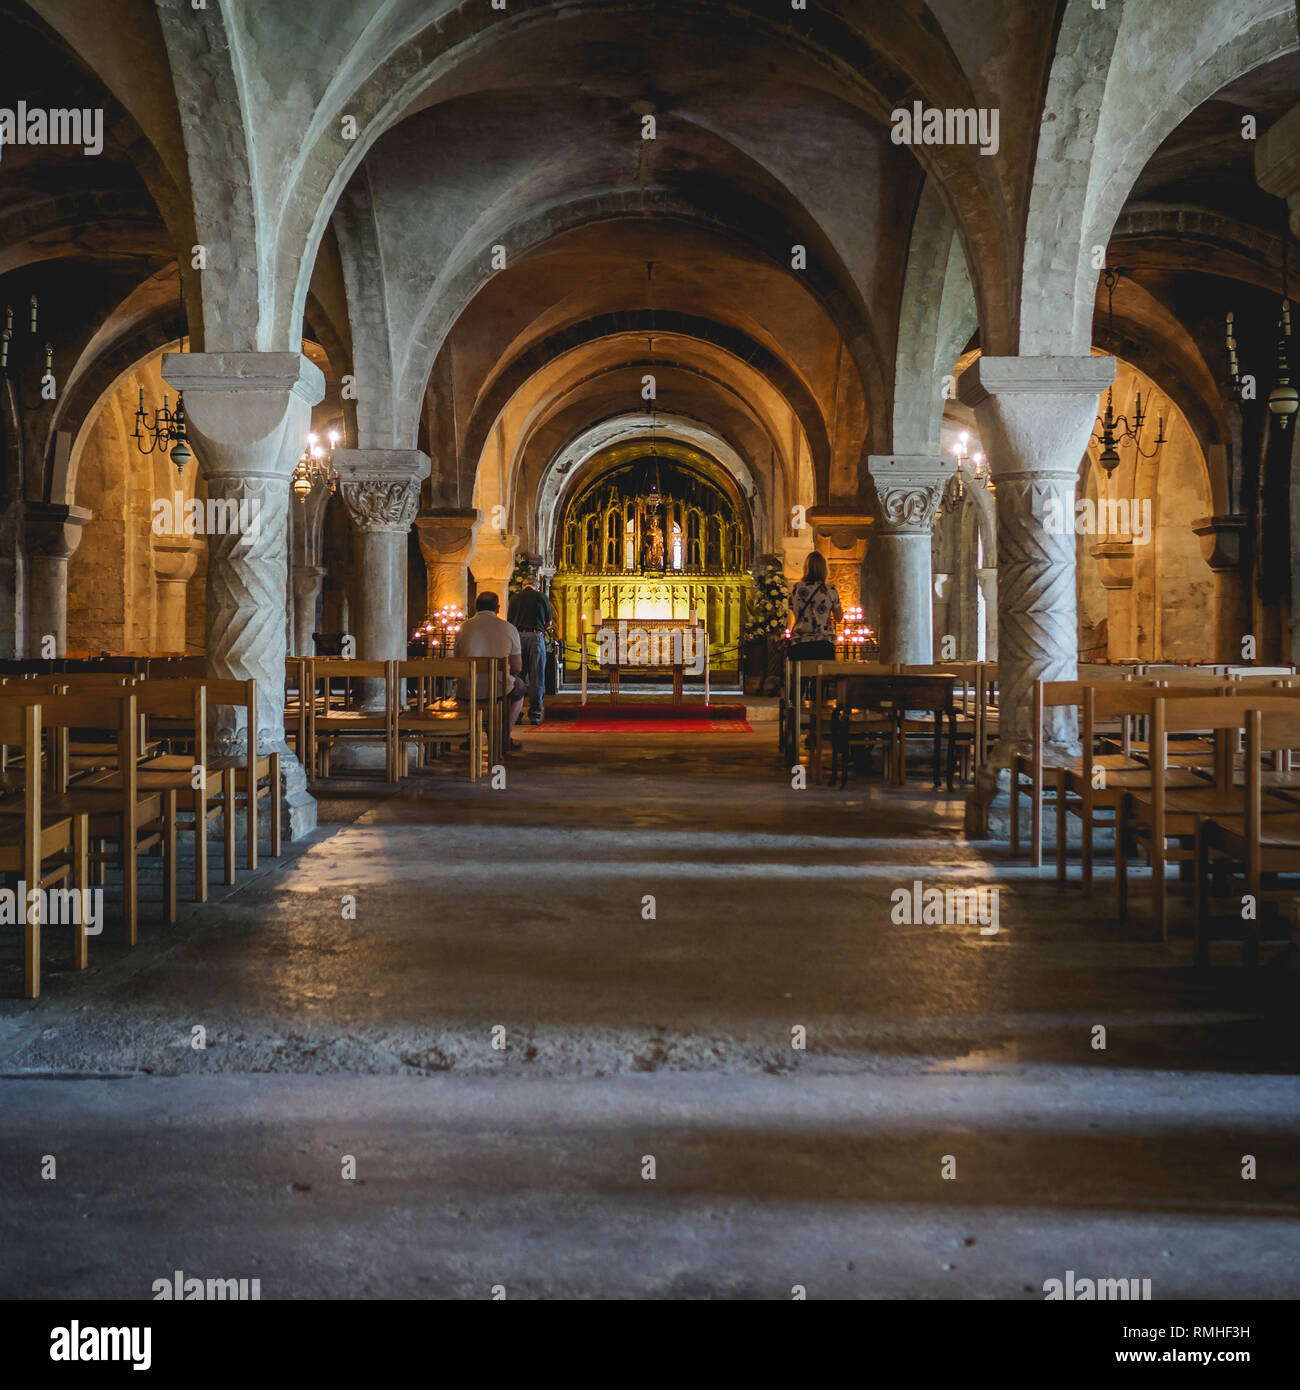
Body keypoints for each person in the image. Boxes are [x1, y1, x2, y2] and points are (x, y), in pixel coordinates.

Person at [455, 591, 525, 749]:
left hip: (467, 691)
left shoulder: (463, 628)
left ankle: (471, 736)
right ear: (498, 608)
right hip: (499, 691)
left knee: (461, 685)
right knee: (519, 686)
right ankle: (503, 736)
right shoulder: (509, 628)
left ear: (475, 608)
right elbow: (517, 667)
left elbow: (457, 661)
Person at [506, 576, 552, 726]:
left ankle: (516, 713)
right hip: (535, 637)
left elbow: (509, 622)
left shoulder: (514, 598)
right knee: (536, 677)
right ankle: (535, 715)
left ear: (524, 585)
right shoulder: (541, 597)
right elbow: (548, 622)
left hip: (517, 637)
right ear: (536, 586)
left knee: (518, 676)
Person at [788, 550, 843, 661]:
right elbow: (839, 617)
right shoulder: (830, 590)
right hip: (823, 643)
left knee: (801, 676)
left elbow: (792, 609)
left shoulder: (796, 588)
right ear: (824, 569)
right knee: (823, 677)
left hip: (800, 643)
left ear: (806, 568)